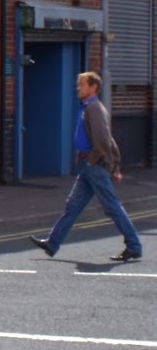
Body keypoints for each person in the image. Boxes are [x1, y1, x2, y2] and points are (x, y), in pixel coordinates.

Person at [31, 71, 142, 263]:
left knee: (112, 206)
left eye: (82, 84)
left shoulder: (94, 109)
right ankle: (52, 243)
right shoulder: (87, 108)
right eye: (78, 84)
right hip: (87, 166)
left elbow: (104, 140)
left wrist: (97, 161)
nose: (78, 88)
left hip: (94, 165)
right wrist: (109, 164)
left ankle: (134, 246)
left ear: (93, 87)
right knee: (73, 206)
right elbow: (108, 139)